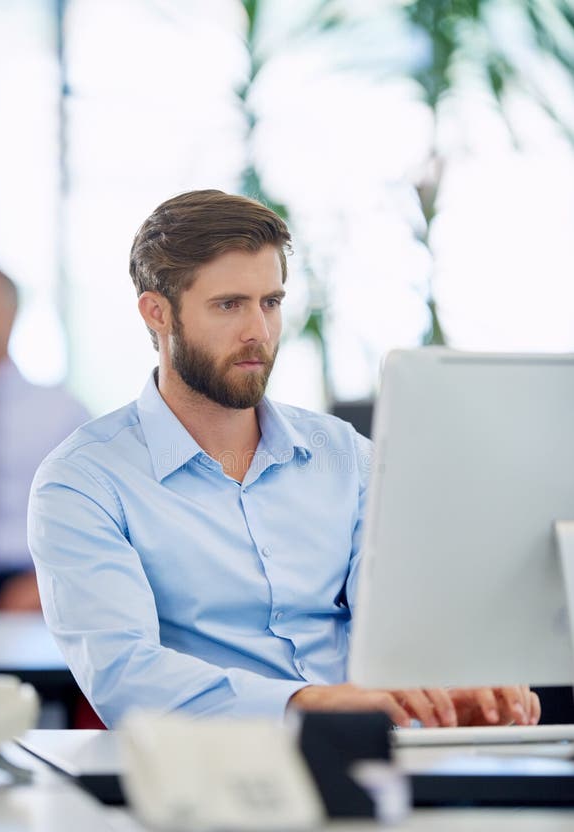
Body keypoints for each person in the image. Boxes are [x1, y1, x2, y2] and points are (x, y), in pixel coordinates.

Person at [28, 190, 540, 728]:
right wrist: (310, 702)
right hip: (208, 764)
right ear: (158, 312)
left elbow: (405, 625)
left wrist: (458, 686)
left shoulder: (346, 455)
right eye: (230, 305)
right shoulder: (84, 481)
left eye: (270, 302)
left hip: (371, 753)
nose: (259, 332)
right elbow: (125, 676)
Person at [0, 264, 89, 611]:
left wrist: (46, 581)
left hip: (30, 585)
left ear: (12, 312)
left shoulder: (61, 411)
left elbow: (90, 509)